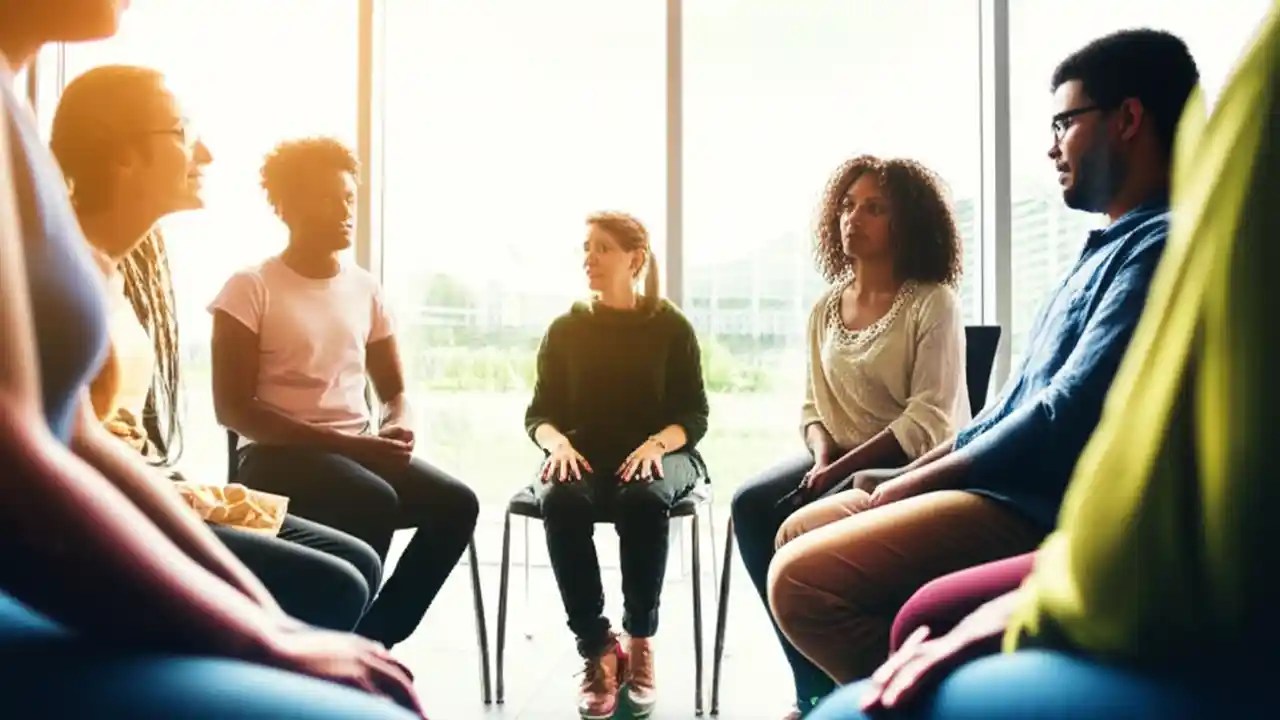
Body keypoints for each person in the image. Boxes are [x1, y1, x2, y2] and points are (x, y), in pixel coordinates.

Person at [809, 10, 1279, 718]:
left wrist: (914, 478)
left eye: (1065, 123)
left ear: (1127, 119)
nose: (1052, 144)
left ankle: (860, 697)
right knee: (799, 537)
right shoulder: (1102, 250)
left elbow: (1061, 412)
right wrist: (906, 476)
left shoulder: (1156, 245)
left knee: (808, 580)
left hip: (1026, 500)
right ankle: (831, 693)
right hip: (1006, 486)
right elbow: (1014, 405)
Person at [0, 2, 421, 716]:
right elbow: (18, 455)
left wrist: (269, 625)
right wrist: (265, 641)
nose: (205, 156)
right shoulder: (244, 286)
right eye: (184, 135)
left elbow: (74, 432)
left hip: (61, 533)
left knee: (378, 576)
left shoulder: (15, 120)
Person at [51, 64, 383, 632]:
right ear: (123, 156)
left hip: (150, 482)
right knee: (336, 583)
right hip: (101, 512)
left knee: (360, 562)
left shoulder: (113, 267)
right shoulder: (58, 274)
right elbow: (68, 446)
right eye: (182, 134)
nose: (202, 154)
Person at [211, 137, 479, 649]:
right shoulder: (250, 288)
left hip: (356, 451)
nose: (344, 211)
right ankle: (333, 643)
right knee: (371, 498)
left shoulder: (364, 288)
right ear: (287, 206)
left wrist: (400, 423)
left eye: (349, 199)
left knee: (456, 504)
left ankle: (371, 641)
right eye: (328, 198)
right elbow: (234, 409)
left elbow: (395, 389)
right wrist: (355, 447)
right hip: (274, 457)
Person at [730, 155, 969, 717]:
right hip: (833, 456)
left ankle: (853, 681)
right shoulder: (824, 308)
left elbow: (927, 422)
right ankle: (810, 685)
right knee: (750, 505)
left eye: (874, 207)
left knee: (806, 522)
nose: (853, 217)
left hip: (908, 465)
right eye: (847, 205)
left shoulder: (933, 302)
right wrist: (820, 456)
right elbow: (813, 406)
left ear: (906, 223)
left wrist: (834, 474)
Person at [524, 211, 710, 719]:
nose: (590, 258)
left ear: (636, 259)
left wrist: (656, 446)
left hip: (664, 451)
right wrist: (557, 445)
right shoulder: (566, 329)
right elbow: (540, 415)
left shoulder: (671, 326)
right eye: (587, 248)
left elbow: (694, 414)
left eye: (602, 248)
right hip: (584, 451)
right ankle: (598, 648)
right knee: (560, 499)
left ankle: (641, 641)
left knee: (644, 499)